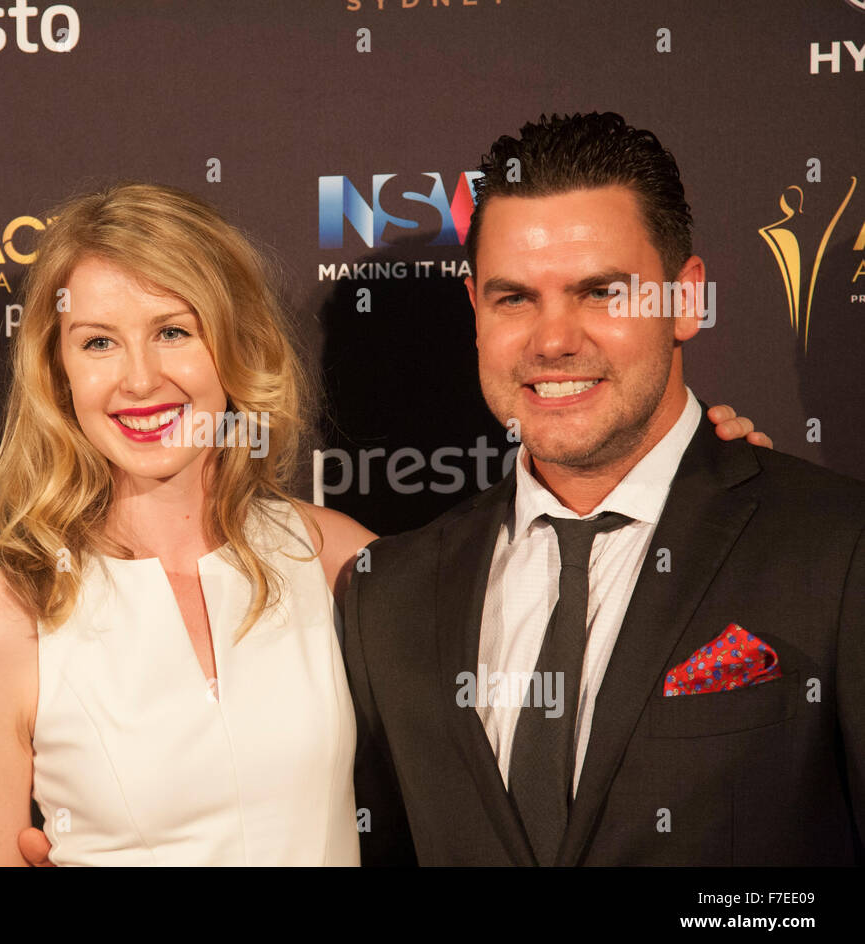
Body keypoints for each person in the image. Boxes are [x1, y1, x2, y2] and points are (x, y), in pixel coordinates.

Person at [0, 180, 770, 867]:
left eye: (173, 332)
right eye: (97, 344)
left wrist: (695, 469)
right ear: (56, 370)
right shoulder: (1, 626)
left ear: (233, 347)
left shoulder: (343, 562)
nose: (140, 379)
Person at [345, 112, 865, 866]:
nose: (553, 340)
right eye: (514, 298)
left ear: (686, 300)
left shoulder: (837, 549)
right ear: (475, 314)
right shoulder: (387, 595)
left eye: (600, 292)